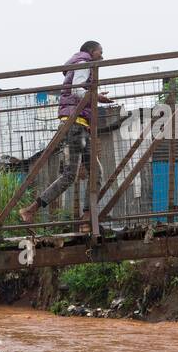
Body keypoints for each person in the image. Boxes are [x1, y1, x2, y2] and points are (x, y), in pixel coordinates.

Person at [19, 41, 112, 225]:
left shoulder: (80, 64)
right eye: (100, 52)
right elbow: (77, 90)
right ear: (91, 51)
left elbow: (78, 92)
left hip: (77, 125)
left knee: (93, 172)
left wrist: (94, 97)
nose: (102, 56)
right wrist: (96, 97)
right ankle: (32, 210)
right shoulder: (84, 63)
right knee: (75, 174)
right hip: (75, 125)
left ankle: (85, 217)